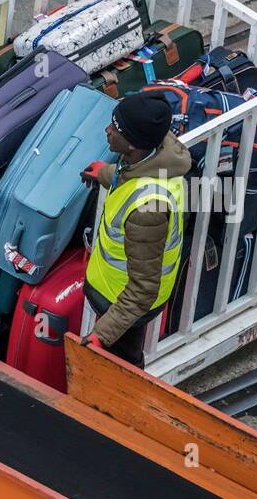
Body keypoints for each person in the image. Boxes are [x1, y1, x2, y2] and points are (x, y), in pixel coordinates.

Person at [81, 90, 191, 368]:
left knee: (121, 367)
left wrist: (101, 336)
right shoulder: (153, 154)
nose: (107, 130)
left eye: (115, 128)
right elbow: (131, 175)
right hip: (117, 294)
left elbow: (142, 291)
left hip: (123, 306)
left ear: (132, 145)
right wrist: (105, 173)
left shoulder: (148, 209)